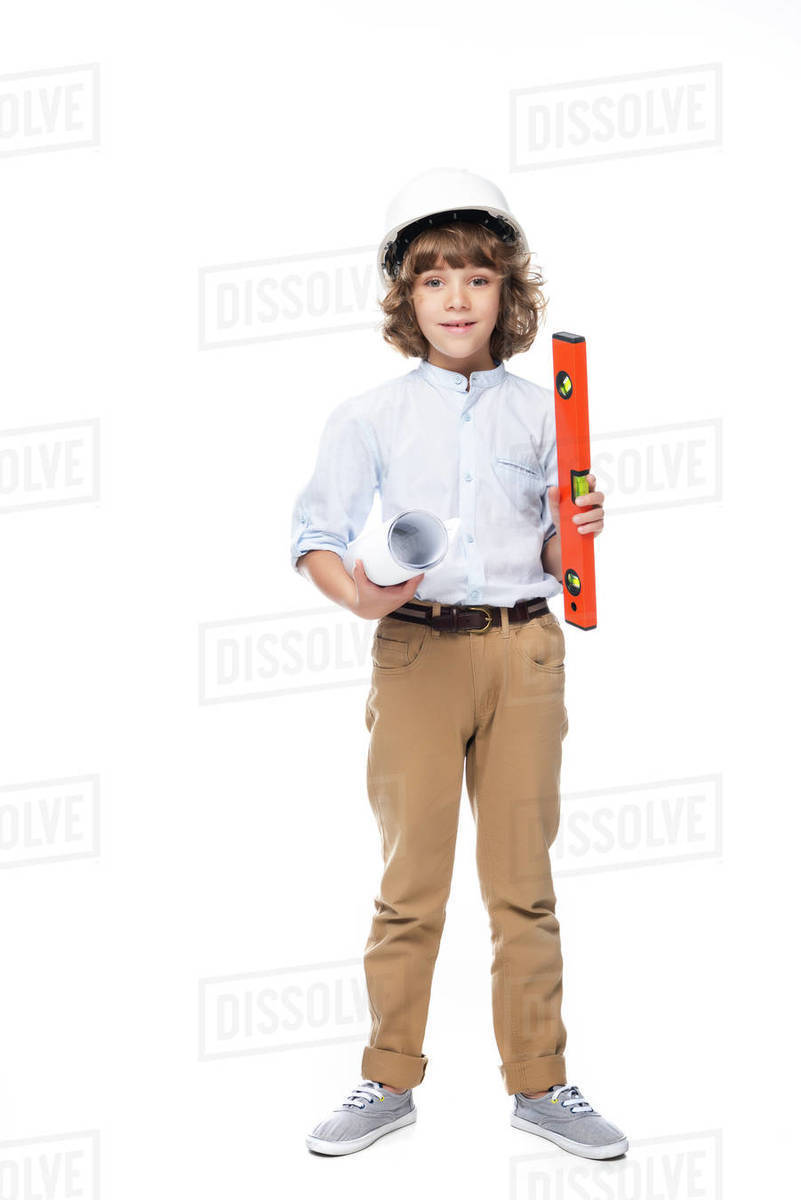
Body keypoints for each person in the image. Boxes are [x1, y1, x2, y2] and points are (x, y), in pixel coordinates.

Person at [290, 168, 627, 1160]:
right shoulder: (369, 417)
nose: (457, 300)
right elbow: (314, 533)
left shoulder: (545, 414)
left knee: (523, 882)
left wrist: (580, 531)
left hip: (525, 652)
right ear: (407, 297)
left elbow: (563, 564)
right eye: (435, 280)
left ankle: (542, 1083)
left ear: (506, 294)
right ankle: (385, 1079)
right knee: (412, 882)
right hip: (416, 657)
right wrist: (359, 594)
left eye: (477, 279)